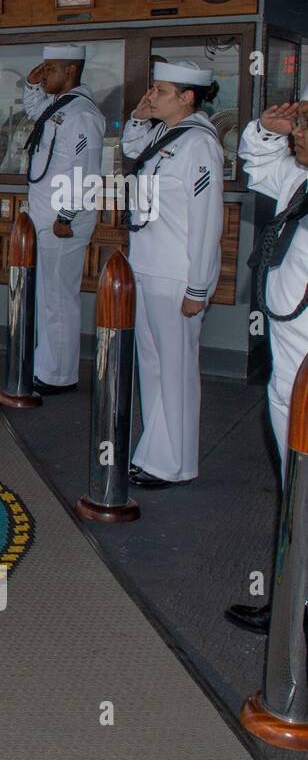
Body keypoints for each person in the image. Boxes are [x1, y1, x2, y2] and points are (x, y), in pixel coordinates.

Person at [121, 59, 225, 488]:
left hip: (176, 273)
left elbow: (207, 222)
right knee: (154, 365)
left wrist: (198, 286)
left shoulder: (199, 145)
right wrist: (138, 114)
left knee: (177, 367)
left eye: (160, 91)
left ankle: (175, 462)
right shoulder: (166, 134)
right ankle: (155, 451)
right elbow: (130, 148)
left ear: (187, 98)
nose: (151, 96)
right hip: (147, 265)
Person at [226, 93, 308, 634]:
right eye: (299, 124)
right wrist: (266, 126)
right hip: (288, 359)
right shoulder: (299, 183)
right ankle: (295, 599)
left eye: (305, 127)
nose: (297, 134)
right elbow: (257, 162)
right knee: (295, 485)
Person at [21, 44, 105, 394]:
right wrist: (31, 83)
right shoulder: (60, 107)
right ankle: (47, 364)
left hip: (61, 219)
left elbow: (84, 170)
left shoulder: (82, 115)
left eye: (50, 68)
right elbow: (33, 109)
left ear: (71, 70)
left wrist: (66, 216)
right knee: (47, 295)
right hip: (45, 213)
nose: (45, 73)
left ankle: (58, 374)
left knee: (59, 296)